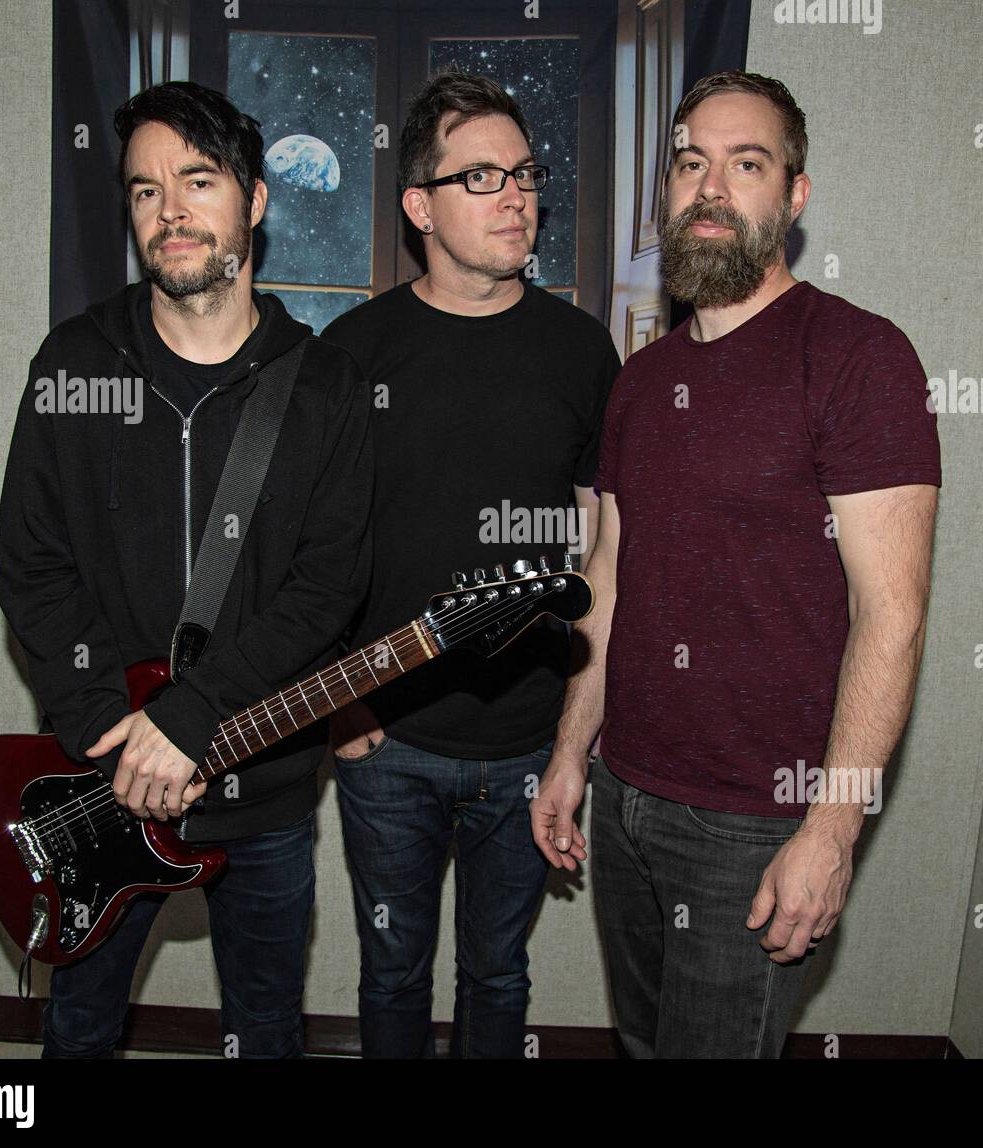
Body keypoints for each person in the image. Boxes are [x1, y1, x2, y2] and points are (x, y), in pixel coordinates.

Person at [531, 70, 942, 1059]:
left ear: (794, 197)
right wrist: (570, 751)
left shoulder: (858, 358)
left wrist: (831, 831)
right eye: (689, 163)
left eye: (745, 164)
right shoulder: (641, 380)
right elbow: (608, 578)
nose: (710, 187)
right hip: (627, 794)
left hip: (758, 823)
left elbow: (891, 614)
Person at [0, 80, 373, 1058]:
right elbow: (32, 564)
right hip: (100, 780)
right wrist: (106, 728)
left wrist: (190, 716)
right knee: (80, 1028)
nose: (170, 210)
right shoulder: (74, 362)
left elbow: (328, 590)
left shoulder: (325, 383)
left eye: (198, 181)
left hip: (265, 786)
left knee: (266, 1031)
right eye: (145, 189)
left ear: (255, 200)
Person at [319, 68, 621, 1059]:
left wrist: (572, 744)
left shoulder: (582, 352)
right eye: (481, 177)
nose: (517, 196)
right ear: (420, 206)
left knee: (498, 976)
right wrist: (343, 706)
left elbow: (605, 553)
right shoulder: (354, 350)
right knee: (391, 976)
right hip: (388, 742)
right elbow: (309, 552)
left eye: (525, 173)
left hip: (530, 742)